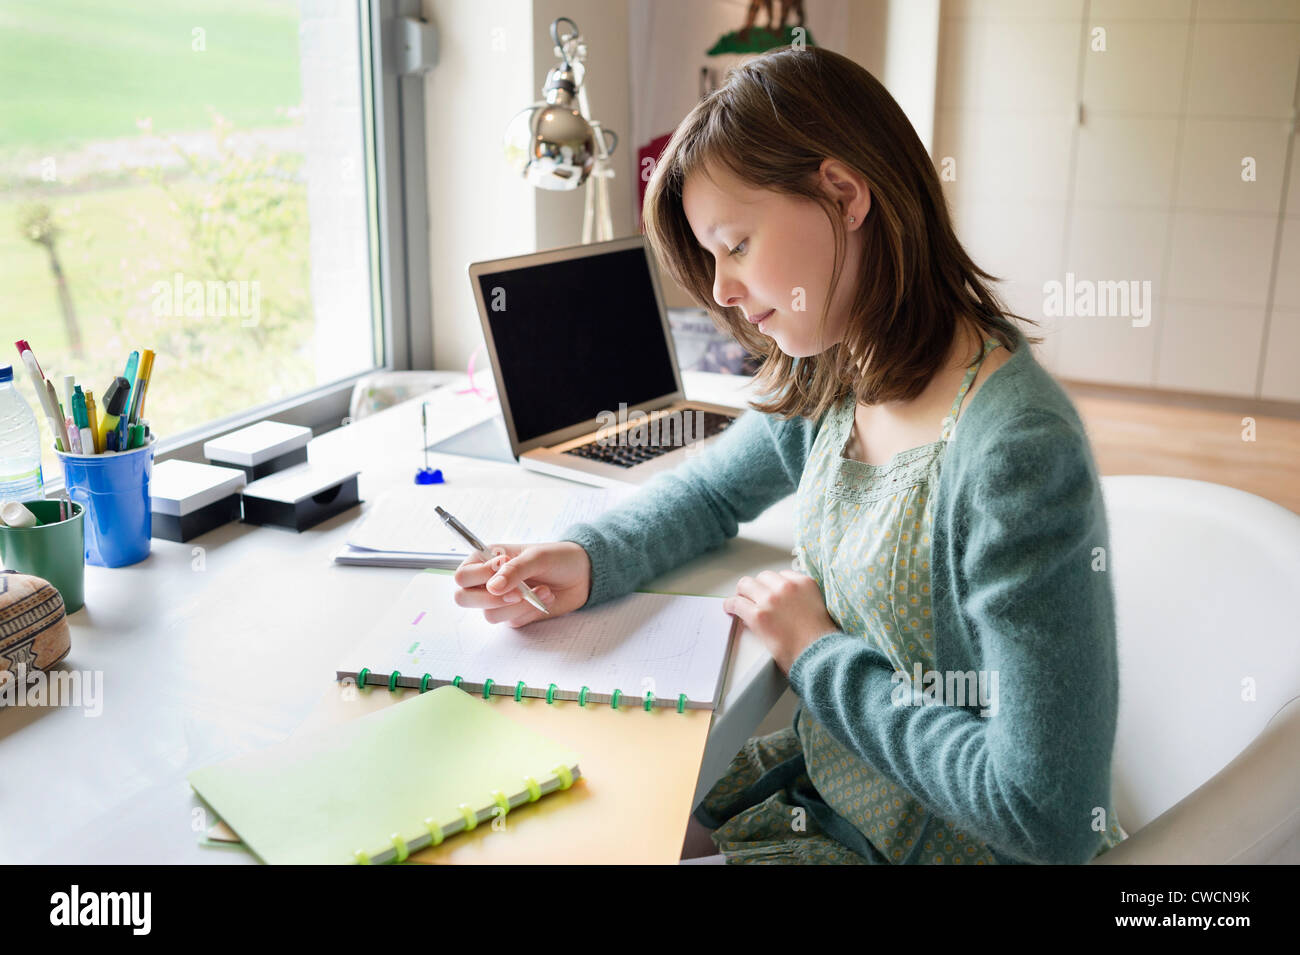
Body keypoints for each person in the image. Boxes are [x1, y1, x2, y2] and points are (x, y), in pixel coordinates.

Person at [452, 45, 1128, 865]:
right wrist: (587, 558)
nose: (723, 290)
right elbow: (709, 493)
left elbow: (1044, 812)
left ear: (843, 194)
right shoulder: (842, 368)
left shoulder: (1015, 450)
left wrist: (816, 652)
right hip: (831, 788)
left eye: (734, 244)